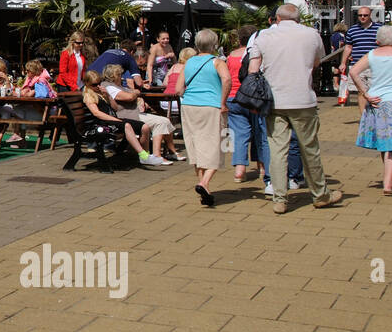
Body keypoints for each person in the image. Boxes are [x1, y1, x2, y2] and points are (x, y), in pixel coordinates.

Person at [247, 4, 343, 214]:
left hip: (274, 101)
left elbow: (253, 69)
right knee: (310, 149)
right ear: (298, 19)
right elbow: (316, 62)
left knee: (277, 151)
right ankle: (320, 194)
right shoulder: (312, 35)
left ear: (277, 19)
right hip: (303, 99)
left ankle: (280, 198)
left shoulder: (263, 37)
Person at [350, 24, 392, 195]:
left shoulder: (371, 55)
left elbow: (354, 72)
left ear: (377, 40)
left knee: (384, 143)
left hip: (376, 102)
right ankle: (388, 184)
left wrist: (365, 93)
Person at [177, 29, 231, 206]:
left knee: (195, 145)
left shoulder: (189, 62)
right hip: (211, 106)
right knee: (217, 144)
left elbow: (178, 89)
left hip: (190, 106)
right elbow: (227, 80)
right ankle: (204, 182)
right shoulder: (217, 62)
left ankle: (204, 189)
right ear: (214, 45)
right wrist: (223, 102)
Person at [80, 71, 166, 165]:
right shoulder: (88, 95)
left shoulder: (101, 93)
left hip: (110, 120)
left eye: (99, 83)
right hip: (99, 124)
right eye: (94, 85)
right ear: (87, 84)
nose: (97, 86)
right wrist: (115, 120)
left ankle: (146, 155)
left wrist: (108, 95)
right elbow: (96, 113)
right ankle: (143, 155)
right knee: (127, 126)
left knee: (144, 127)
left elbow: (115, 108)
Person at [101, 64, 180, 161]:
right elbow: (128, 97)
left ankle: (171, 152)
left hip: (134, 113)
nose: (121, 77)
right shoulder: (108, 86)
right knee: (161, 122)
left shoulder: (118, 85)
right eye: (119, 75)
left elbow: (132, 93)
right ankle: (156, 155)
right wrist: (136, 93)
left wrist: (137, 96)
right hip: (126, 116)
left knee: (165, 120)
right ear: (113, 76)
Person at [226, 26, 268, 184]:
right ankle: (263, 168)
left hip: (233, 98)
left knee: (239, 135)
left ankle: (239, 170)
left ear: (239, 39)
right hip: (253, 99)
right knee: (259, 133)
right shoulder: (255, 54)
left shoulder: (231, 56)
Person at [340, 7, 381, 112]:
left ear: (370, 15)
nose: (362, 17)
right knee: (361, 92)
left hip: (375, 65)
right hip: (357, 65)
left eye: (365, 15)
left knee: (375, 91)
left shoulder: (379, 28)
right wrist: (343, 62)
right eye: (360, 15)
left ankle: (377, 114)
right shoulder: (352, 30)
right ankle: (364, 116)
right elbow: (348, 47)